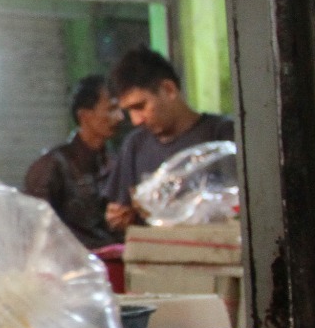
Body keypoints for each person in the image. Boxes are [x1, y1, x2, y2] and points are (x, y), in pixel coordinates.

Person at [104, 46, 236, 231]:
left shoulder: (223, 135)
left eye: (140, 106)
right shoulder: (134, 146)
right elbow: (121, 211)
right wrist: (120, 217)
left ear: (169, 89)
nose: (135, 120)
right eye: (129, 111)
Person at [24, 74, 123, 249]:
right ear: (84, 116)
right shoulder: (51, 167)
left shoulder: (115, 163)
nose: (120, 117)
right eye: (111, 109)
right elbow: (35, 228)